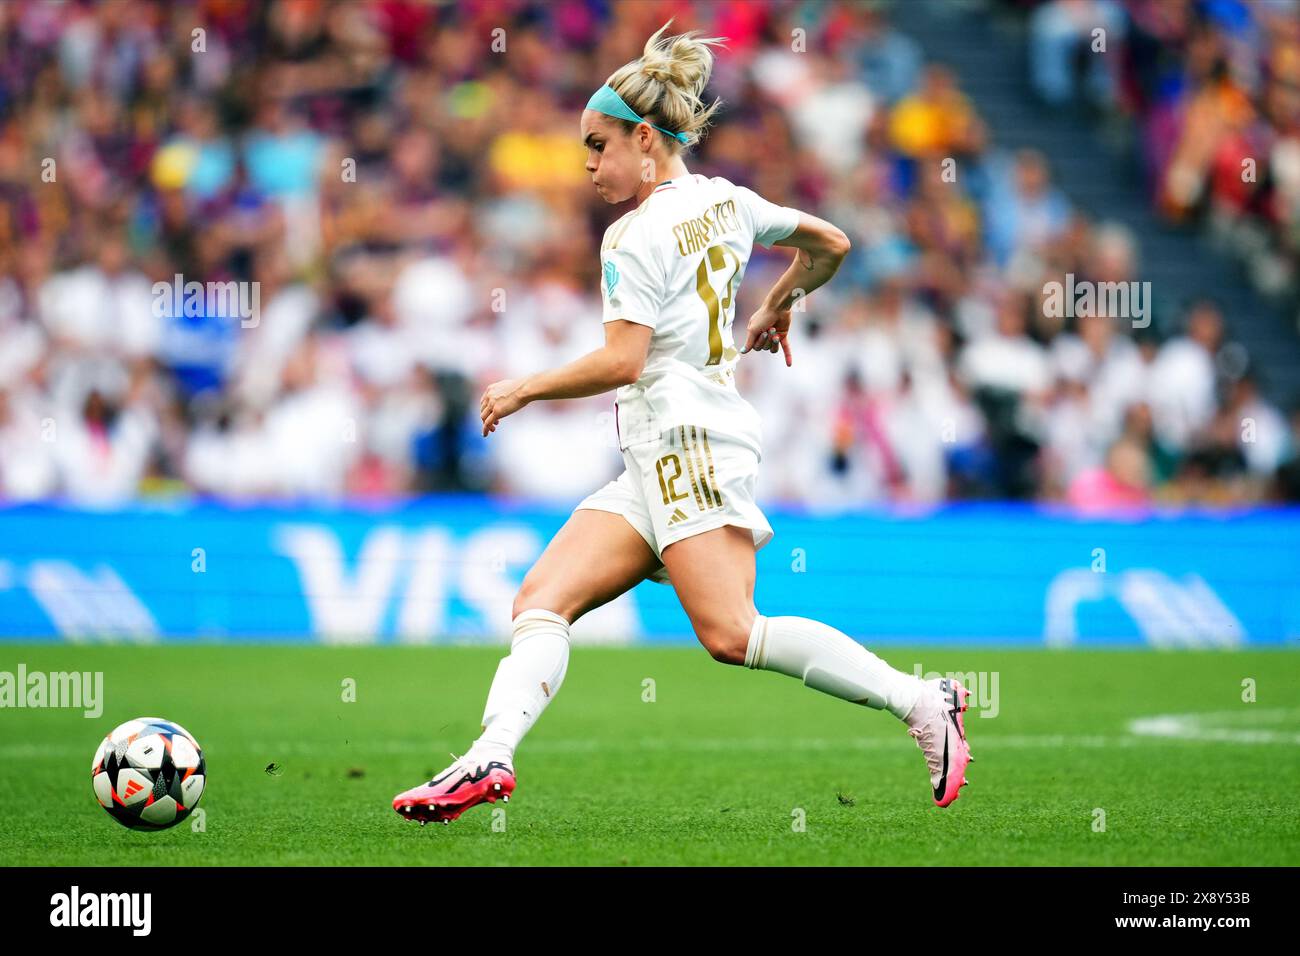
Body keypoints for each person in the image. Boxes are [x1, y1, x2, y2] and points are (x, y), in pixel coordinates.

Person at [393, 21, 973, 826]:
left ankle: (922, 700)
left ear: (643, 138)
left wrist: (525, 386)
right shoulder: (727, 200)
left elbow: (624, 361)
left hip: (685, 439)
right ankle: (489, 755)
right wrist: (778, 302)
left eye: (598, 147)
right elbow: (831, 242)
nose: (590, 166)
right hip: (664, 445)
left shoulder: (631, 235)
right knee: (541, 601)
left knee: (733, 634)